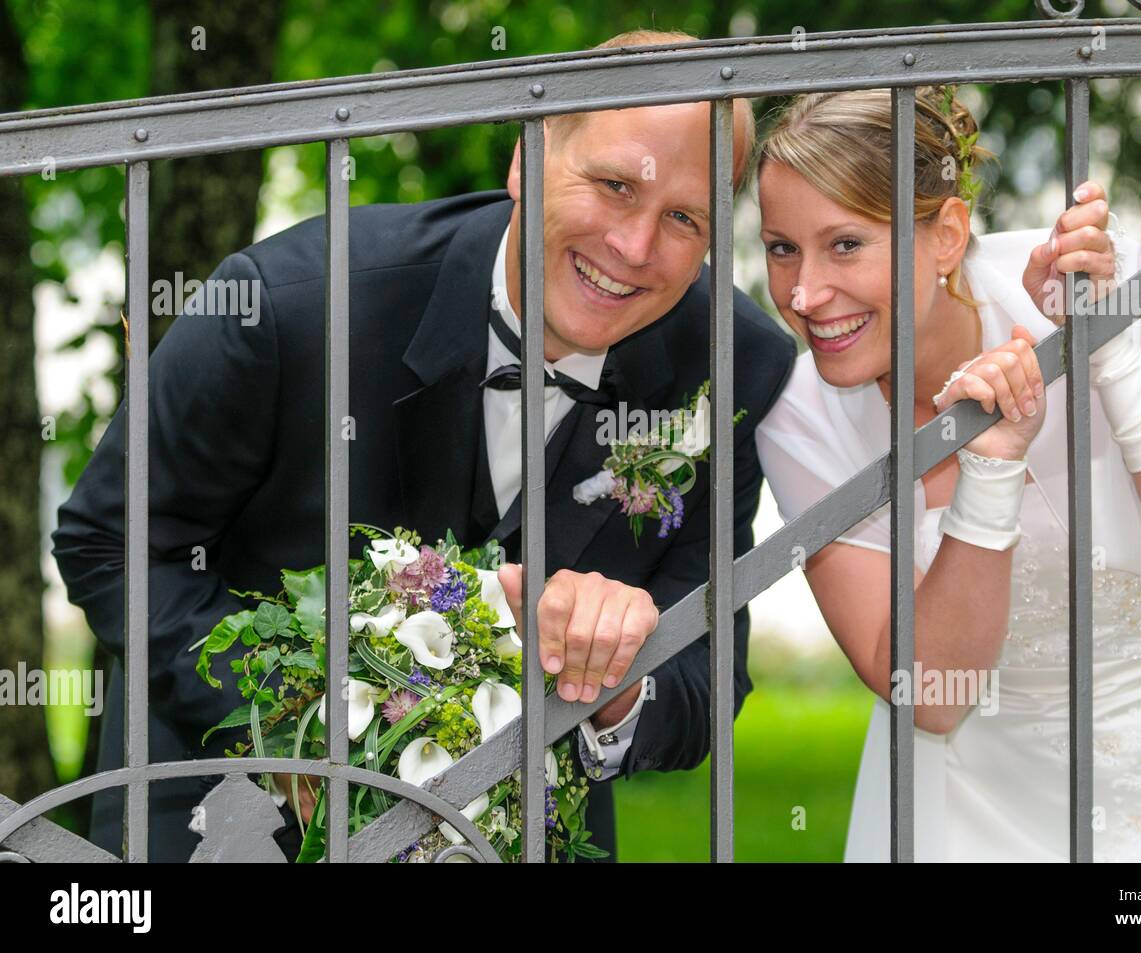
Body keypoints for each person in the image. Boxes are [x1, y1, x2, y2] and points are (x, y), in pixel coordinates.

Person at [51, 29, 795, 862]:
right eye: (615, 185)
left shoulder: (730, 365)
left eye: (684, 217)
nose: (634, 247)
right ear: (527, 158)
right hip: (235, 817)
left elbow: (703, 677)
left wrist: (614, 685)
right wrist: (303, 719)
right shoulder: (291, 307)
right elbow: (108, 540)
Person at [753, 86, 1141, 861]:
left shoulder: (1099, 277)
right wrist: (991, 471)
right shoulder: (798, 420)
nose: (804, 294)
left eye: (845, 245)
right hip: (990, 816)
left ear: (946, 235)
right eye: (781, 248)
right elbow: (929, 695)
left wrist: (1107, 352)